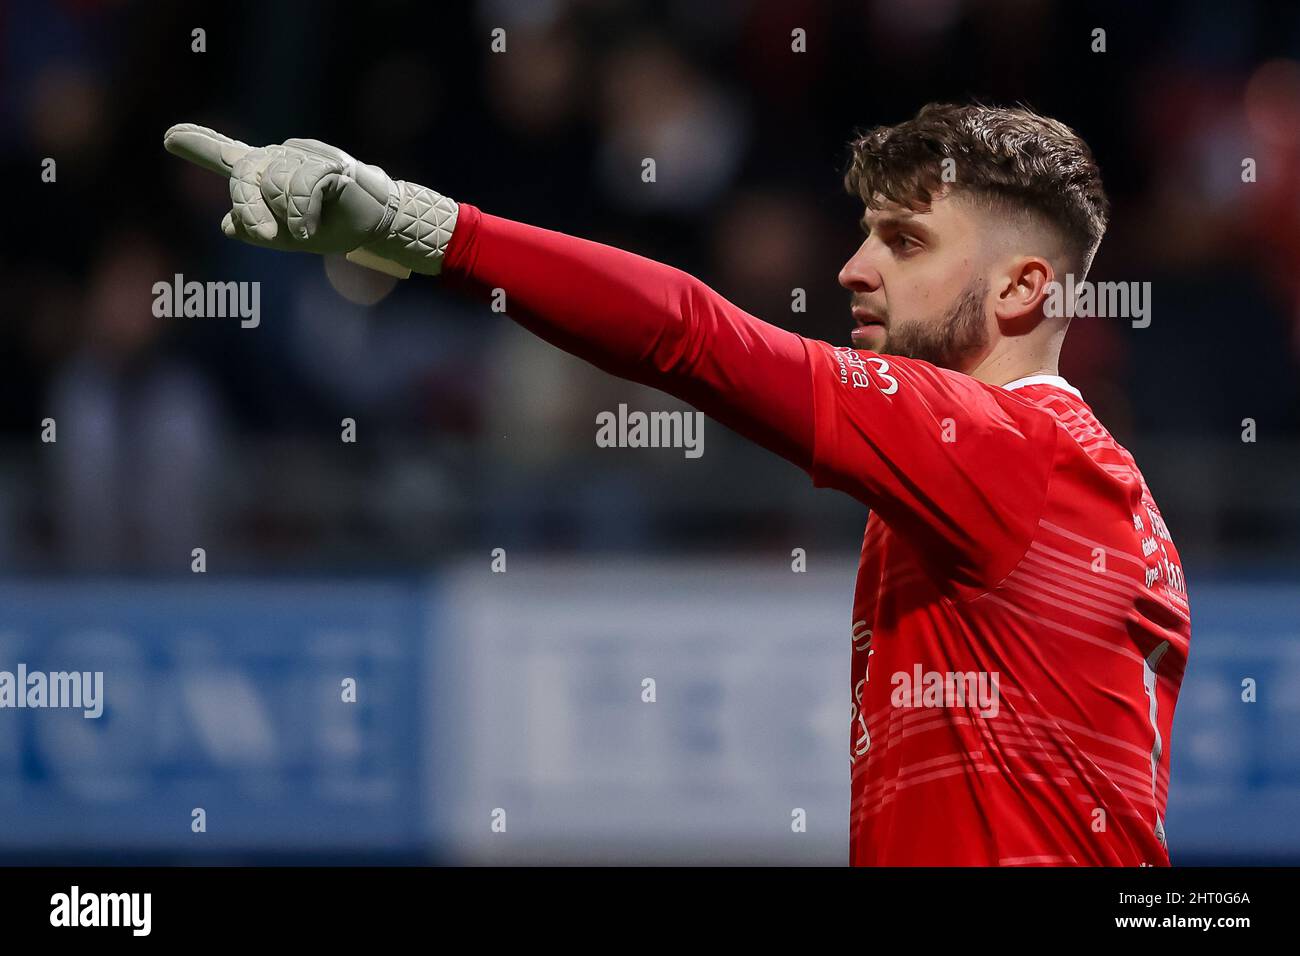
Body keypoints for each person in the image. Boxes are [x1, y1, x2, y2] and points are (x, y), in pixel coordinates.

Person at [164, 101, 1191, 866]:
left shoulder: (1007, 448)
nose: (852, 267)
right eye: (867, 230)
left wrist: (429, 231)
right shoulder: (1060, 482)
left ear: (1021, 287)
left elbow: (692, 337)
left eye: (904, 241)